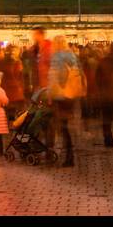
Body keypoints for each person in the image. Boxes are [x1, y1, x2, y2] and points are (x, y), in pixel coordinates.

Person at [48, 35, 83, 167]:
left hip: (61, 95)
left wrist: (51, 94)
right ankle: (70, 154)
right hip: (71, 95)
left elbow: (55, 78)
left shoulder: (57, 57)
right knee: (66, 126)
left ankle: (69, 156)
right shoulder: (72, 55)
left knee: (63, 127)